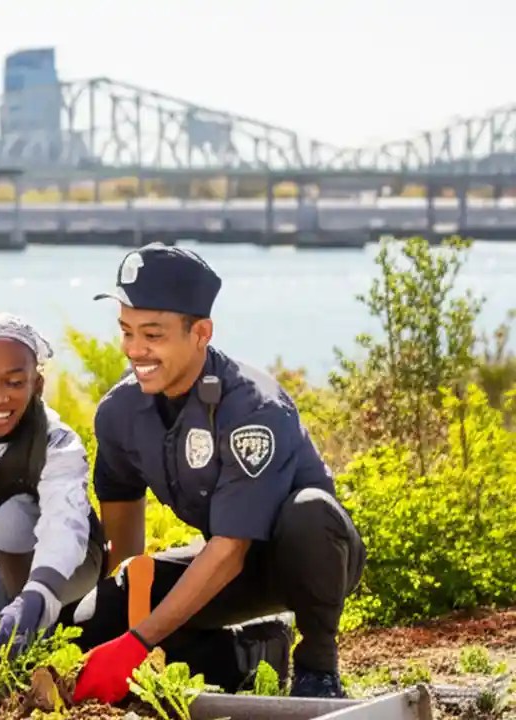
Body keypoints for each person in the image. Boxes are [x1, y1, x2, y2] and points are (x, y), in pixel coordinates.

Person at [69, 243, 366, 706]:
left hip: (309, 558)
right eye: (126, 331)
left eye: (153, 334)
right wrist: (119, 620)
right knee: (92, 623)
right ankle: (252, 652)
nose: (134, 350)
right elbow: (124, 540)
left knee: (308, 513)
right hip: (225, 560)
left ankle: (317, 667)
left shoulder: (254, 408)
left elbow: (231, 551)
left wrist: (137, 643)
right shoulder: (119, 412)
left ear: (201, 332)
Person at [0, 312, 107, 657]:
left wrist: (37, 592)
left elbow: (63, 528)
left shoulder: (58, 443)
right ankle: (16, 621)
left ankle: (38, 637)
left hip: (69, 564)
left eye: (14, 382)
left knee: (9, 517)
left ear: (37, 385)